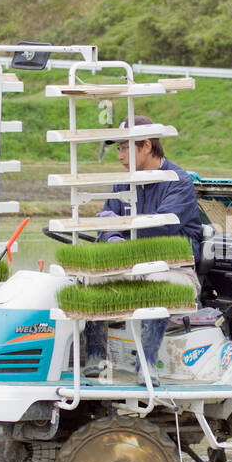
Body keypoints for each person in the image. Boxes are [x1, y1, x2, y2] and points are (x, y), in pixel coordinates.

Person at [83, 115, 203, 383]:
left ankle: (148, 364)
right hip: (130, 262)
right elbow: (106, 216)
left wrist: (120, 234)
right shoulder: (124, 182)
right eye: (118, 149)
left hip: (173, 267)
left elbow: (158, 230)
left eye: (125, 147)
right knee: (93, 278)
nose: (120, 156)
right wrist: (113, 238)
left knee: (157, 284)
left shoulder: (178, 182)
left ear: (146, 146)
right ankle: (95, 357)